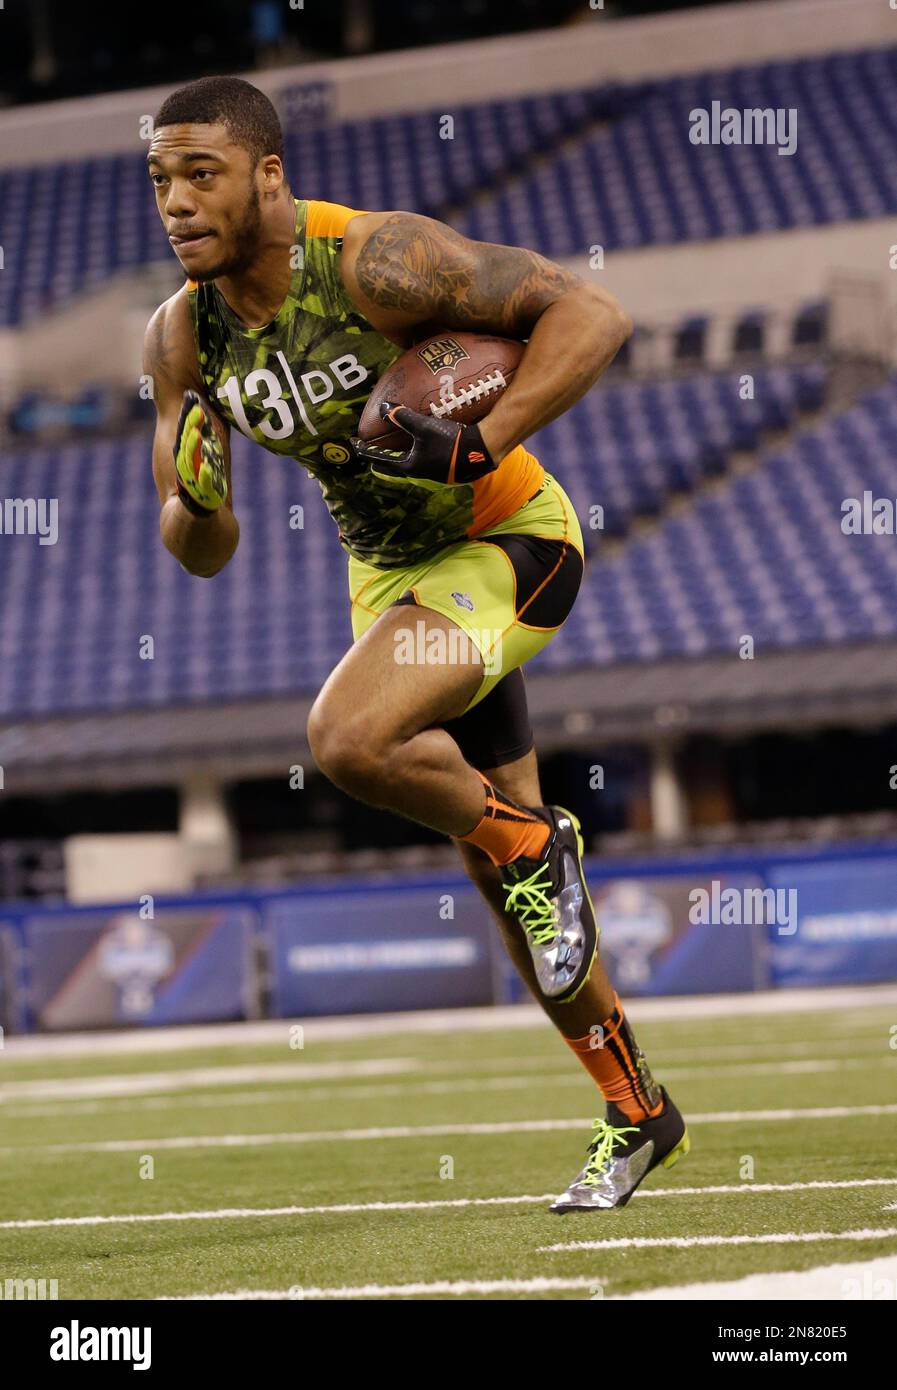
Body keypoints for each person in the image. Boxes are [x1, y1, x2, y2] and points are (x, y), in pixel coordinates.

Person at [145, 75, 689, 1209]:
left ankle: (539, 842)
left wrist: (480, 438)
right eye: (161, 179)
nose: (178, 201)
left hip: (510, 541)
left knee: (344, 738)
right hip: (393, 587)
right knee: (508, 890)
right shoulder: (181, 341)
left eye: (203, 174)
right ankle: (639, 1110)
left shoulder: (375, 262)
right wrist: (194, 504)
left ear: (269, 176)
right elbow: (204, 549)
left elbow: (593, 316)